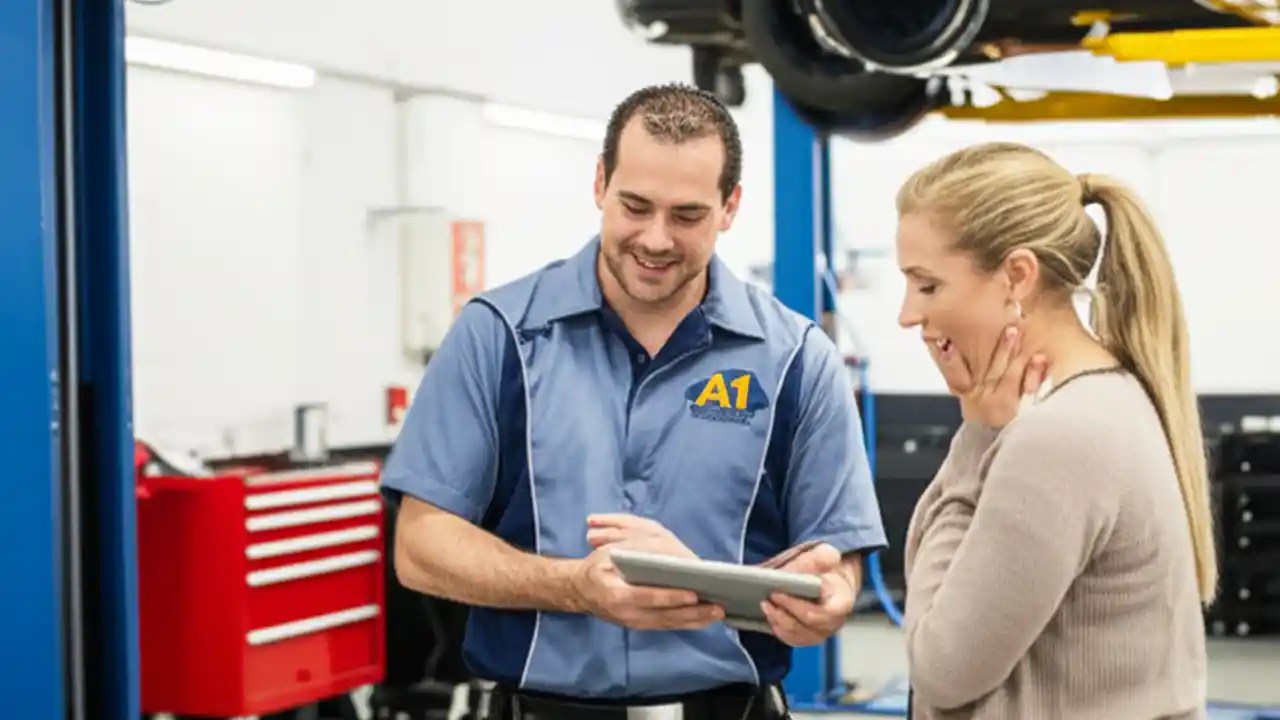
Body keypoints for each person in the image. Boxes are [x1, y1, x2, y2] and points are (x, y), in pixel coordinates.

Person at [381, 83, 887, 720]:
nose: (654, 238)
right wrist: (573, 588)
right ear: (599, 184)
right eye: (635, 206)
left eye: (687, 215)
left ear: (730, 207)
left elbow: (835, 559)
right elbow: (421, 549)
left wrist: (831, 598)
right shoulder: (499, 335)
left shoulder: (795, 359)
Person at [894, 141, 1215, 719]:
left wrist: (975, 446)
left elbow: (940, 670)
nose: (907, 314)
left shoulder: (1059, 438)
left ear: (1016, 276)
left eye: (928, 285)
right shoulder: (1105, 400)